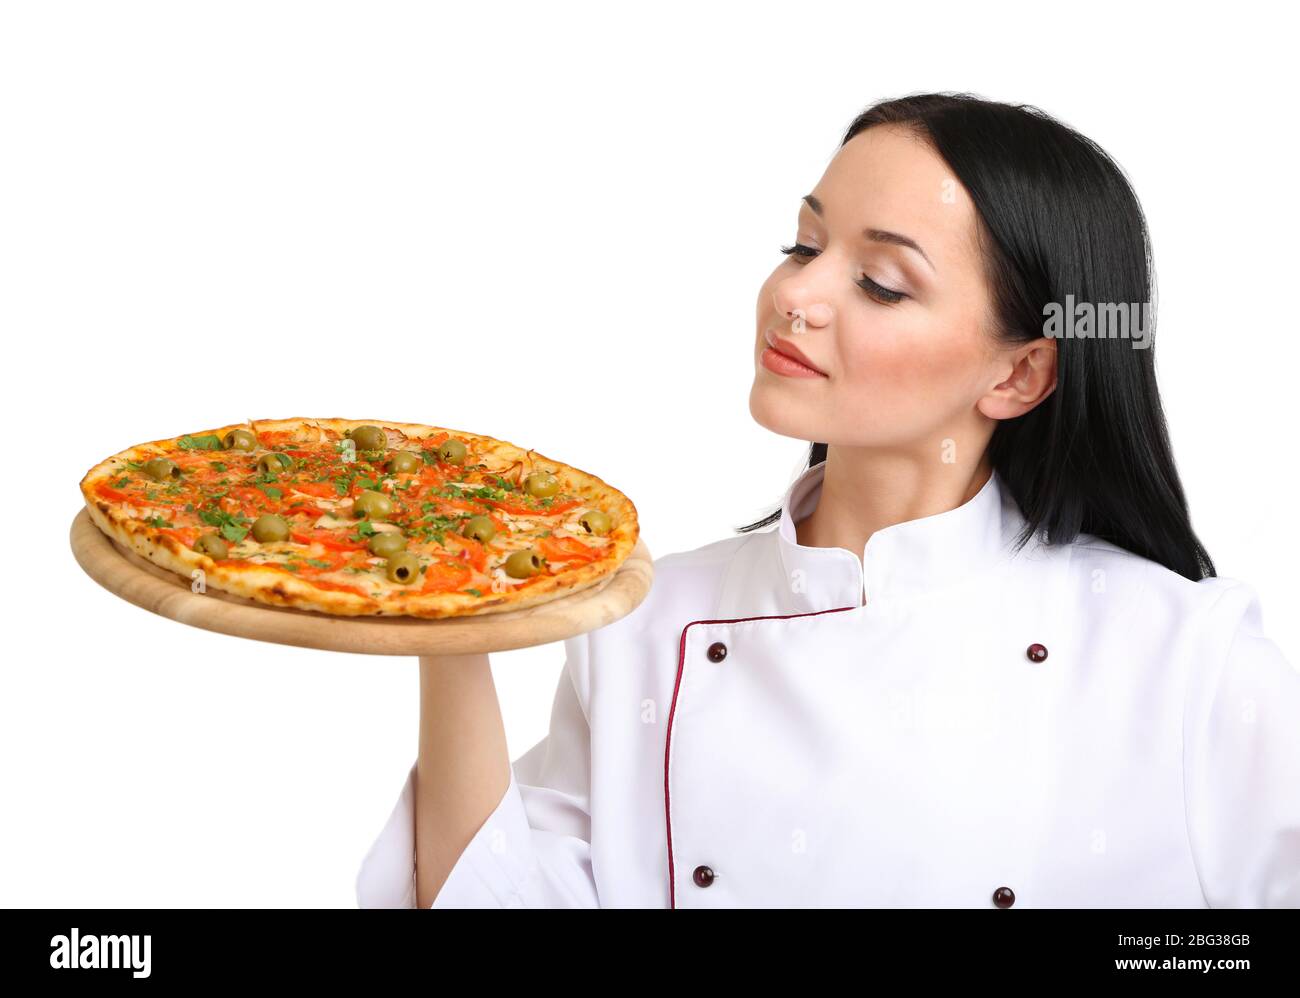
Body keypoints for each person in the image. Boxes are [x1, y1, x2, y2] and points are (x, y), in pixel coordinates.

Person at [356, 92, 1300, 908]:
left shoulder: (1183, 657)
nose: (795, 293)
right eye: (802, 243)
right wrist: (454, 626)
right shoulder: (643, 621)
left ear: (1019, 373)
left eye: (881, 283)